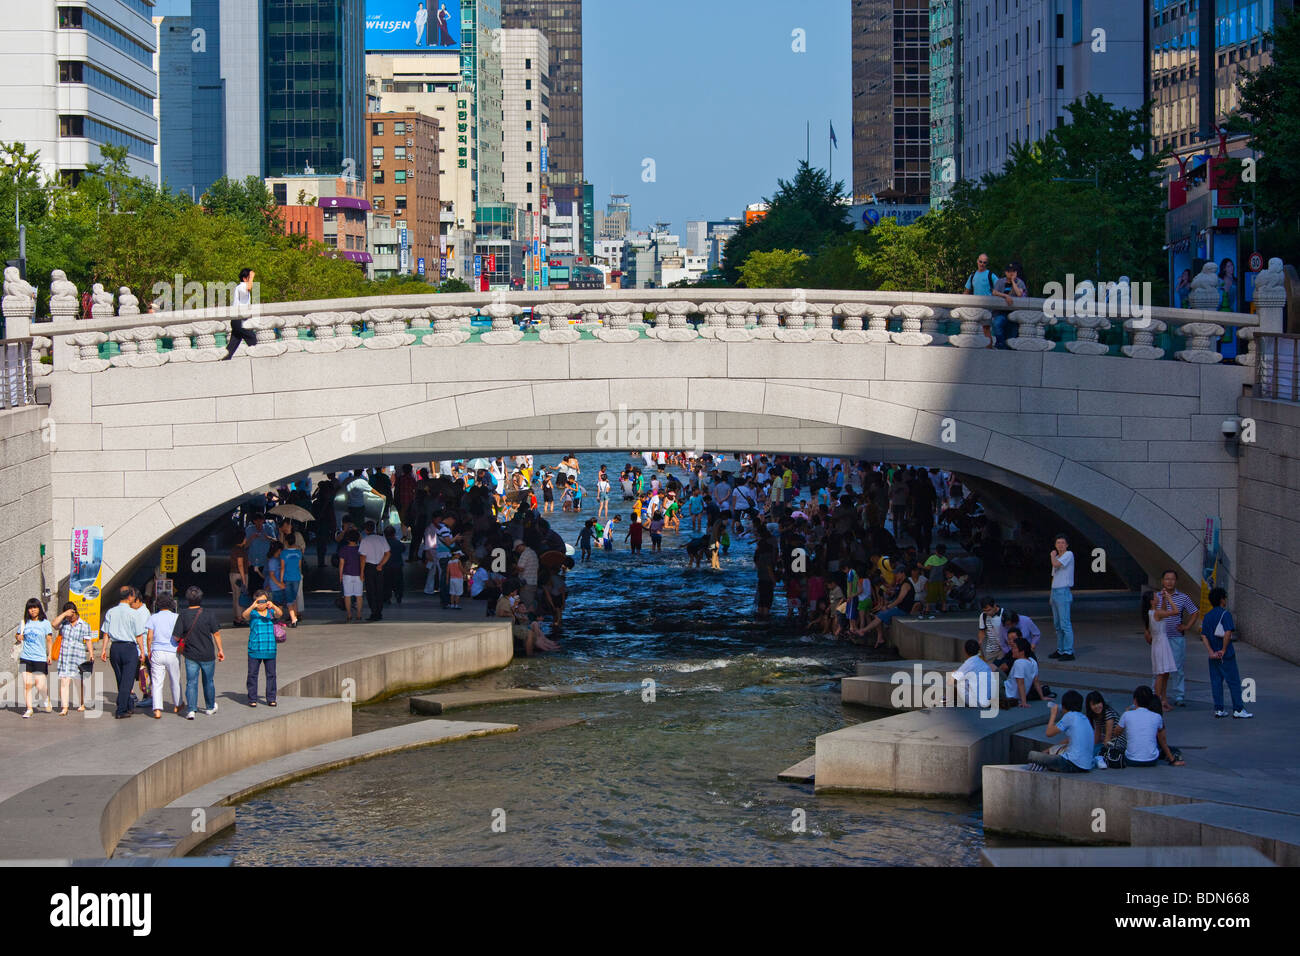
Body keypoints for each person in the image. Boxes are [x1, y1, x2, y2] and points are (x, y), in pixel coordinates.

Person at [1201, 587, 1252, 719]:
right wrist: (1223, 650)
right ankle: (1238, 709)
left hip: (1213, 656)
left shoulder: (1207, 616)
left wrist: (1211, 652)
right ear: (1222, 599)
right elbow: (1228, 632)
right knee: (1233, 682)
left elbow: (1204, 636)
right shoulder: (1225, 614)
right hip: (1226, 655)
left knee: (1216, 682)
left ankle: (1218, 709)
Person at [100, 587, 150, 718]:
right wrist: (142, 650)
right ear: (129, 597)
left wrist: (104, 649)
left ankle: (128, 706)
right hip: (129, 648)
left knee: (120, 678)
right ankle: (120, 710)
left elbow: (105, 632)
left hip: (115, 648)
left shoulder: (111, 612)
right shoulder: (133, 613)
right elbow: (139, 634)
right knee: (127, 681)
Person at [1152, 569, 1199, 707]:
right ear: (1162, 581)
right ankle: (1155, 694)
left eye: (1172, 579)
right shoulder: (1156, 597)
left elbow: (1194, 612)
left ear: (1176, 581)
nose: (1169, 582)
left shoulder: (1183, 597)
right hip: (1160, 638)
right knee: (1159, 669)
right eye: (1167, 579)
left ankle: (1179, 695)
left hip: (1176, 637)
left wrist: (1187, 626)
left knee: (1177, 668)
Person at [177, 587, 224, 719]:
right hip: (207, 653)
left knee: (191, 682)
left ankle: (191, 709)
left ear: (187, 599)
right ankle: (209, 707)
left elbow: (176, 636)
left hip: (190, 654)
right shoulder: (209, 614)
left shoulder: (183, 614)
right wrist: (220, 649)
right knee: (208, 681)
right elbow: (216, 633)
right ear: (201, 598)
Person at [1028, 691, 1094, 772]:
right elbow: (1067, 741)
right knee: (1056, 749)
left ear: (1064, 706)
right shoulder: (1084, 718)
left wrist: (1053, 714)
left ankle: (1043, 765)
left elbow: (1049, 733)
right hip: (1086, 766)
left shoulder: (1069, 716)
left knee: (1032, 755)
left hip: (1072, 764)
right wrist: (1048, 750)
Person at [1119, 686, 1184, 766]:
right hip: (1152, 761)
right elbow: (1162, 740)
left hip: (1131, 760)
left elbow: (1116, 733)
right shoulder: (1157, 716)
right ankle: (1171, 755)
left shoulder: (1127, 714)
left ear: (1135, 700)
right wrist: (1173, 760)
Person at [145, 594, 183, 719]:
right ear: (172, 604)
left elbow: (149, 636)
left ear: (158, 604)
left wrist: (149, 650)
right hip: (172, 651)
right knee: (175, 680)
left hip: (157, 651)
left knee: (156, 682)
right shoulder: (176, 617)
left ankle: (157, 709)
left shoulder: (153, 617)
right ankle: (177, 704)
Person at [51, 602, 94, 714]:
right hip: (65, 656)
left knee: (78, 682)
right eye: (68, 615)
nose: (70, 617)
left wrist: (91, 654)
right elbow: (54, 624)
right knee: (64, 681)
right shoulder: (64, 623)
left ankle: (81, 703)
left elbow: (88, 640)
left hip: (78, 656)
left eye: (71, 614)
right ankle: (64, 707)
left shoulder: (84, 625)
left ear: (75, 612)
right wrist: (64, 614)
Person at [13, 598, 53, 717]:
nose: (33, 610)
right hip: (25, 657)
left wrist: (49, 655)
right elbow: (17, 634)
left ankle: (46, 699)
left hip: (40, 657)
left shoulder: (45, 623)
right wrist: (18, 637)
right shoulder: (24, 622)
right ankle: (29, 709)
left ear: (39, 608)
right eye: (30, 608)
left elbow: (49, 639)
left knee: (40, 685)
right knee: (27, 684)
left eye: (35, 607)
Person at [242, 589, 281, 706]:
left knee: (271, 675)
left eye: (264, 601)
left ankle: (271, 698)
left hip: (269, 648)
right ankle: (252, 699)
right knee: (252, 674)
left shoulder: (270, 612)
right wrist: (253, 606)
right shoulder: (253, 613)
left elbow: (279, 614)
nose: (262, 603)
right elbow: (244, 615)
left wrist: (273, 606)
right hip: (255, 649)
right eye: (259, 601)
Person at [1139, 590, 1176, 710]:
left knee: (1165, 673)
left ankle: (1163, 699)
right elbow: (1176, 611)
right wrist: (1170, 599)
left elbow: (1162, 611)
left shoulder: (1151, 613)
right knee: (1161, 673)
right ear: (1152, 601)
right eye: (1155, 596)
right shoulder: (1156, 613)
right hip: (1161, 643)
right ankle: (1157, 700)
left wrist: (1165, 600)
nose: (1158, 597)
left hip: (1158, 642)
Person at [962, 252, 1000, 347]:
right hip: (975, 307)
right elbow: (967, 291)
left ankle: (989, 348)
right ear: (977, 261)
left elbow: (1000, 287)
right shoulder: (973, 275)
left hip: (987, 307)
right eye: (980, 262)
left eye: (984, 262)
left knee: (986, 329)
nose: (982, 264)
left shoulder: (990, 275)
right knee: (970, 328)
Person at [1048, 535, 1076, 661]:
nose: (1060, 545)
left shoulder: (1068, 554)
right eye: (1058, 542)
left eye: (1062, 543)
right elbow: (1053, 576)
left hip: (1063, 591)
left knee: (1065, 623)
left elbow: (1056, 564)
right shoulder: (1058, 556)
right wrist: (1051, 595)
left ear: (1067, 545)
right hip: (1055, 591)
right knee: (1057, 624)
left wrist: (1052, 555)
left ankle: (1068, 651)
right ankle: (1060, 649)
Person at [221, 267, 257, 359]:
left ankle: (224, 360)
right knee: (253, 339)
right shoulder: (241, 286)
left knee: (233, 344)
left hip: (237, 320)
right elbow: (248, 288)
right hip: (240, 320)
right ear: (245, 279)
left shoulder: (240, 287)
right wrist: (252, 276)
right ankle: (261, 358)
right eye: (249, 277)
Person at [1003, 637, 1050, 708]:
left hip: (1007, 692)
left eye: (1014, 648)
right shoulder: (1032, 661)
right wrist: (1042, 697)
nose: (1012, 650)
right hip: (1010, 689)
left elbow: (1020, 683)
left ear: (1022, 652)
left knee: (992, 669)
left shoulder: (1019, 663)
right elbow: (1036, 681)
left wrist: (1023, 702)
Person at [949, 638, 995, 709]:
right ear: (978, 651)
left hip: (978, 703)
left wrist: (953, 673)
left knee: (959, 682)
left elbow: (951, 681)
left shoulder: (969, 663)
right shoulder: (983, 663)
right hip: (989, 700)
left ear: (964, 650)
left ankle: (948, 701)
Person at [358, 520, 390, 621]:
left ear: (366, 530)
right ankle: (379, 612)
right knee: (379, 590)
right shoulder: (382, 539)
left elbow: (363, 558)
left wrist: (361, 572)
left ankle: (374, 612)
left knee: (371, 591)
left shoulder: (365, 540)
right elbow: (388, 554)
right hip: (380, 568)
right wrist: (381, 564)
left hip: (369, 568)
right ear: (374, 528)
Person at [264, 542, 300, 627]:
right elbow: (271, 575)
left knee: (280, 604)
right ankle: (277, 621)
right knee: (278, 605)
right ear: (279, 550)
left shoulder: (278, 559)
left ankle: (279, 620)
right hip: (276, 587)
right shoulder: (273, 561)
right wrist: (279, 584)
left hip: (279, 586)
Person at [1086, 691, 1126, 764]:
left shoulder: (1108, 713)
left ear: (1102, 702)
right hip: (1109, 742)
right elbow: (1097, 734)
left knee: (1093, 752)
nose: (1097, 706)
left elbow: (1108, 737)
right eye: (1093, 704)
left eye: (1098, 703)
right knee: (1090, 749)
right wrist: (1093, 746)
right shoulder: (1096, 716)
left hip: (1117, 742)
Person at [338, 528, 364, 622]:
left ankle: (349, 615)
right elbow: (363, 562)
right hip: (358, 575)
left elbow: (341, 564)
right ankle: (359, 615)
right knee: (359, 596)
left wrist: (340, 575)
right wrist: (362, 573)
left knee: (347, 596)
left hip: (347, 575)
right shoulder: (360, 549)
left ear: (347, 539)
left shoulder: (344, 549)